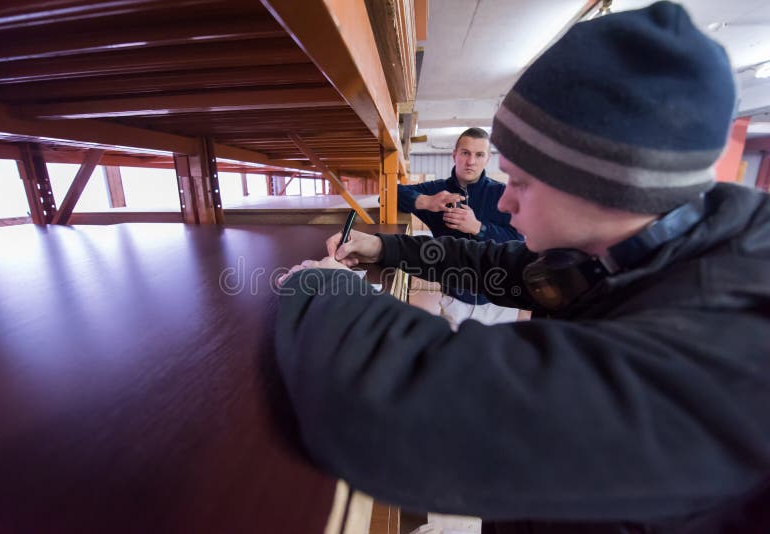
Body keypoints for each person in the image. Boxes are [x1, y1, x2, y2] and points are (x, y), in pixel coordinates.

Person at [275, 2, 770, 532]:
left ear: (606, 188)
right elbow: (505, 265)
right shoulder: (640, 245)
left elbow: (414, 408)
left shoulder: (734, 343)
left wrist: (322, 285)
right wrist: (386, 250)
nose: (506, 203)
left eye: (521, 182)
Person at [397, 128, 521, 328]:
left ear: (487, 159)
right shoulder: (437, 191)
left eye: (479, 155)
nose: (471, 161)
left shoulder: (503, 194)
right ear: (455, 155)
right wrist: (427, 201)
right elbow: (391, 194)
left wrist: (478, 228)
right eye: (465, 153)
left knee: (495, 357)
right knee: (455, 356)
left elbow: (519, 243)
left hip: (500, 302)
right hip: (455, 299)